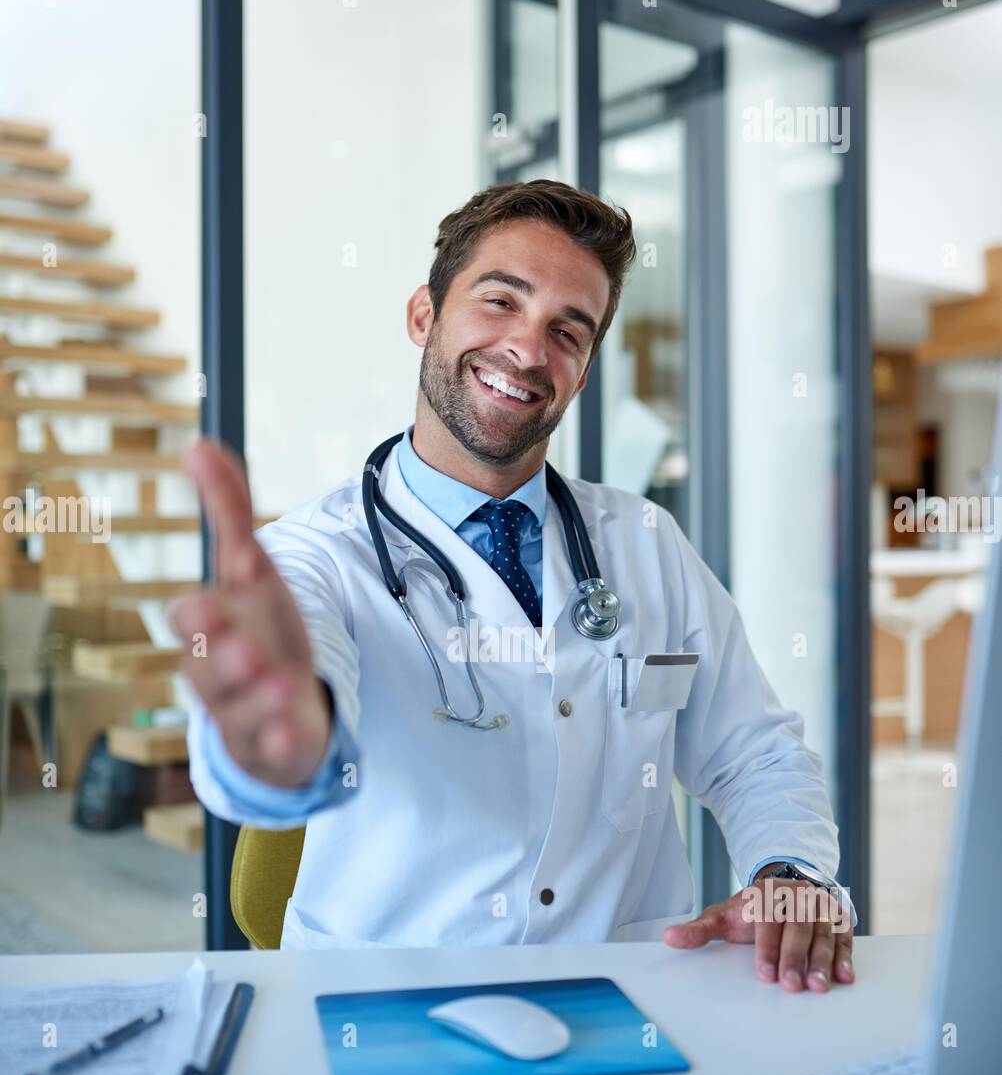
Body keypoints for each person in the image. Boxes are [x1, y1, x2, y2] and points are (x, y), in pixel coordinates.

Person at [174, 178, 854, 990]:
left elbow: (755, 751)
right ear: (424, 313)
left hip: (627, 998)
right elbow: (290, 712)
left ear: (585, 370)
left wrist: (791, 876)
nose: (530, 351)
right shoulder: (315, 558)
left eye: (569, 332)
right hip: (384, 1007)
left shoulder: (644, 543)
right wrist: (274, 743)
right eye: (501, 301)